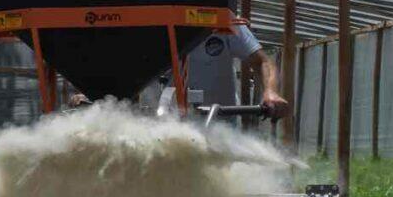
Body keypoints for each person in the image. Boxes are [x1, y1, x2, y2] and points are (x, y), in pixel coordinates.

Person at [66, 24, 289, 118]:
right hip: (161, 128)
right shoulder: (144, 28)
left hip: (218, 121)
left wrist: (270, 93)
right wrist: (98, 96)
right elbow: (124, 72)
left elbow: (262, 61)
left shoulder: (224, 24)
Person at [184, 23, 288, 119]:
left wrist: (271, 92)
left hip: (220, 123)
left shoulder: (225, 19)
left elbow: (262, 62)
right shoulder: (168, 18)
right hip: (172, 123)